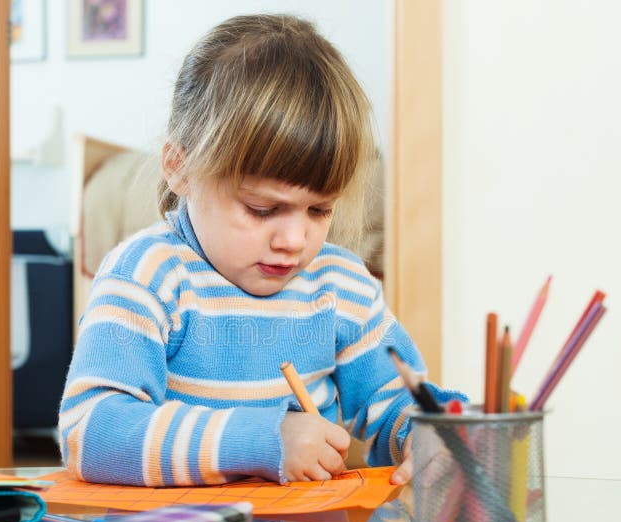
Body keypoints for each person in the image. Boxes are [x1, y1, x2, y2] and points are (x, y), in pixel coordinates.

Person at [58, 14, 462, 488]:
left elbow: (398, 403)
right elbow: (91, 432)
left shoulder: (341, 285)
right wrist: (259, 440)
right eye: (263, 208)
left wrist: (431, 435)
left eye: (319, 210)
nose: (294, 241)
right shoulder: (146, 274)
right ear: (179, 167)